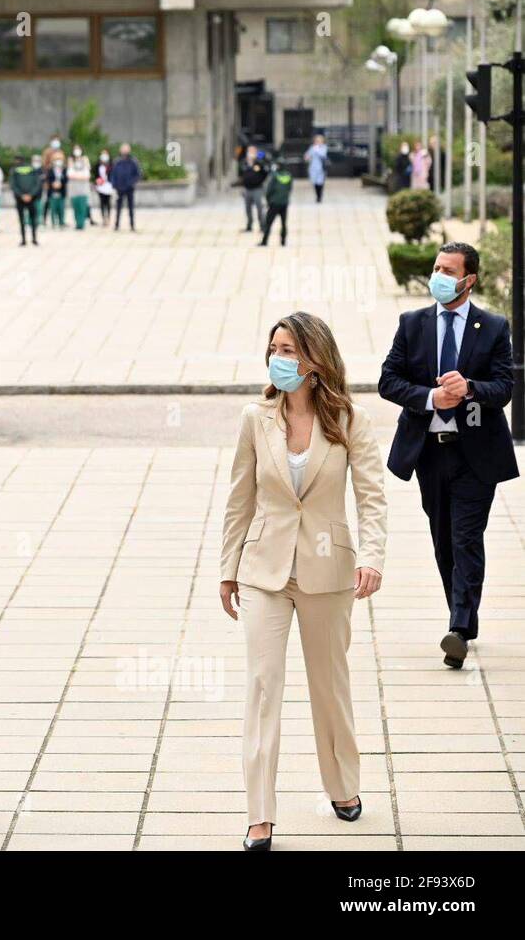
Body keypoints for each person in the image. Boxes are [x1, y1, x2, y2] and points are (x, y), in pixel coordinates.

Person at [221, 311, 387, 852]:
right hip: (264, 571)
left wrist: (373, 557)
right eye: (275, 348)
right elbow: (238, 500)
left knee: (329, 686)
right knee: (263, 689)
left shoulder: (350, 419)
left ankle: (342, 786)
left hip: (329, 571)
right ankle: (259, 816)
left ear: (315, 360)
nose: (280, 358)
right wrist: (228, 570)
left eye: (290, 349)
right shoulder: (255, 418)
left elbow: (371, 496)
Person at [378, 242, 518, 669]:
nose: (439, 275)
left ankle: (457, 627)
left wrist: (470, 388)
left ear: (468, 279)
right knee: (443, 541)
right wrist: (430, 397)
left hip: (476, 454)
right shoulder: (413, 323)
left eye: (448, 269)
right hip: (429, 454)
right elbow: (388, 381)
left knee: (465, 538)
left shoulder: (492, 327)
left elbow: (505, 389)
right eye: (437, 267)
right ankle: (463, 617)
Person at [11, 154, 43, 247]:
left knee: (22, 220)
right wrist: (30, 194)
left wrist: (21, 195)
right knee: (33, 219)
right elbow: (37, 183)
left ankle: (24, 240)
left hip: (20, 199)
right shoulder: (32, 169)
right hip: (31, 198)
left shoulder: (14, 170)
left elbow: (13, 185)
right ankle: (34, 239)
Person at [260, 161, 293, 247]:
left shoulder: (274, 176)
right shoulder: (288, 175)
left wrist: (268, 200)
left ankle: (264, 241)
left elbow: (269, 190)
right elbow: (290, 188)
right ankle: (283, 241)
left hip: (274, 203)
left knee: (268, 222)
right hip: (284, 203)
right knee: (283, 223)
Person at [109, 143, 141, 231]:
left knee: (131, 207)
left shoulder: (133, 161)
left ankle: (132, 225)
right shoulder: (117, 161)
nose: (124, 151)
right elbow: (112, 174)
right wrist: (114, 184)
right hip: (119, 188)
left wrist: (131, 183)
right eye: (123, 149)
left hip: (129, 188)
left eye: (126, 149)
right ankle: (117, 225)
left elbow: (138, 174)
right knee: (118, 208)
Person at [238, 146, 268, 233]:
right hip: (247, 189)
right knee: (247, 209)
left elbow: (265, 172)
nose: (251, 153)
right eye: (250, 151)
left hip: (257, 189)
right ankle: (249, 226)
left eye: (253, 151)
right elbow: (240, 174)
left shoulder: (259, 162)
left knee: (260, 208)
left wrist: (260, 181)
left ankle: (262, 226)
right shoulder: (244, 162)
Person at [67, 146, 94, 229]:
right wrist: (79, 176)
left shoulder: (85, 159)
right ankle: (77, 223)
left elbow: (87, 175)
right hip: (74, 188)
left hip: (83, 188)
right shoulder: (70, 160)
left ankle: (81, 223)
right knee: (76, 206)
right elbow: (70, 174)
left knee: (83, 206)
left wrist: (77, 176)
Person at [45, 154, 68, 228]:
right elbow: (48, 179)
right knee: (53, 208)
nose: (58, 161)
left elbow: (66, 179)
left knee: (61, 208)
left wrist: (61, 183)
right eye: (56, 159)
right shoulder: (50, 169)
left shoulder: (64, 170)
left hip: (61, 191)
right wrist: (53, 184)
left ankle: (61, 222)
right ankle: (53, 223)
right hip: (52, 192)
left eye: (59, 159)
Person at [305, 134, 329, 203]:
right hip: (313, 168)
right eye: (317, 140)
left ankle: (319, 196)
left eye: (319, 140)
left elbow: (323, 155)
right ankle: (317, 195)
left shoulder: (324, 147)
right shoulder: (312, 147)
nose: (318, 141)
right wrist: (307, 156)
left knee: (320, 183)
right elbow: (307, 155)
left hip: (321, 168)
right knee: (315, 183)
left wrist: (317, 149)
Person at [95, 149, 115, 225]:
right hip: (100, 186)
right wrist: (97, 180)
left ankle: (108, 217)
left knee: (108, 202)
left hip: (108, 186)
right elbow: (96, 175)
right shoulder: (98, 165)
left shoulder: (111, 165)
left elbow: (113, 175)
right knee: (102, 203)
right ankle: (103, 218)